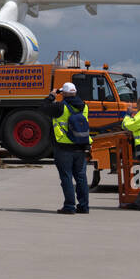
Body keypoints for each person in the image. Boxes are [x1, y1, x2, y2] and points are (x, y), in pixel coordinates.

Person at [44, 82, 90, 214]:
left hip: (64, 147)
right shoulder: (84, 107)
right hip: (81, 147)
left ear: (63, 94)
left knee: (66, 177)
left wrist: (52, 96)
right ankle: (84, 206)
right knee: (81, 177)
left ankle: (70, 206)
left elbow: (43, 107)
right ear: (75, 93)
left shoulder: (60, 107)